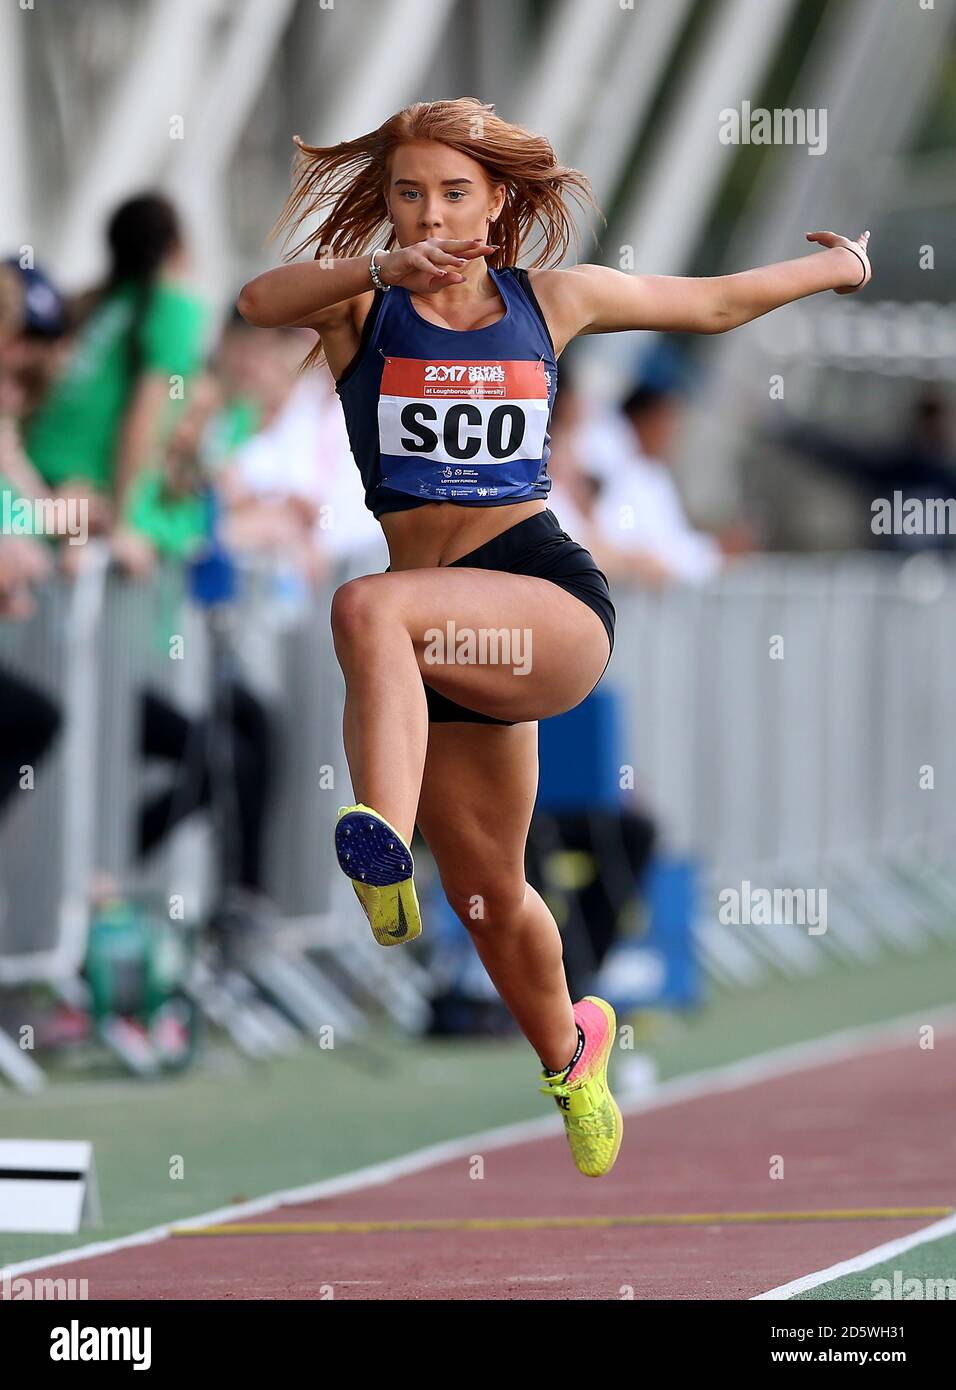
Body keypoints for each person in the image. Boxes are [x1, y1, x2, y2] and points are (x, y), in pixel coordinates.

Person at [238, 96, 872, 1179]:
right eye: (408, 194)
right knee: (489, 896)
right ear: (388, 207)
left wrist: (835, 271)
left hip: (541, 602)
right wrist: (379, 270)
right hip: (437, 650)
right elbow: (259, 299)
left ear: (495, 204)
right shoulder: (362, 309)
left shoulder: (550, 300)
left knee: (364, 603)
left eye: (452, 193)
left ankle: (379, 847)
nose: (430, 213)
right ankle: (574, 1052)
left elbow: (710, 305)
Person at [23, 193, 207, 533]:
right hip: (79, 488)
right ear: (176, 245)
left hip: (35, 471)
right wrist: (124, 523)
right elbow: (143, 416)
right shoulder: (173, 308)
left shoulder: (95, 301)